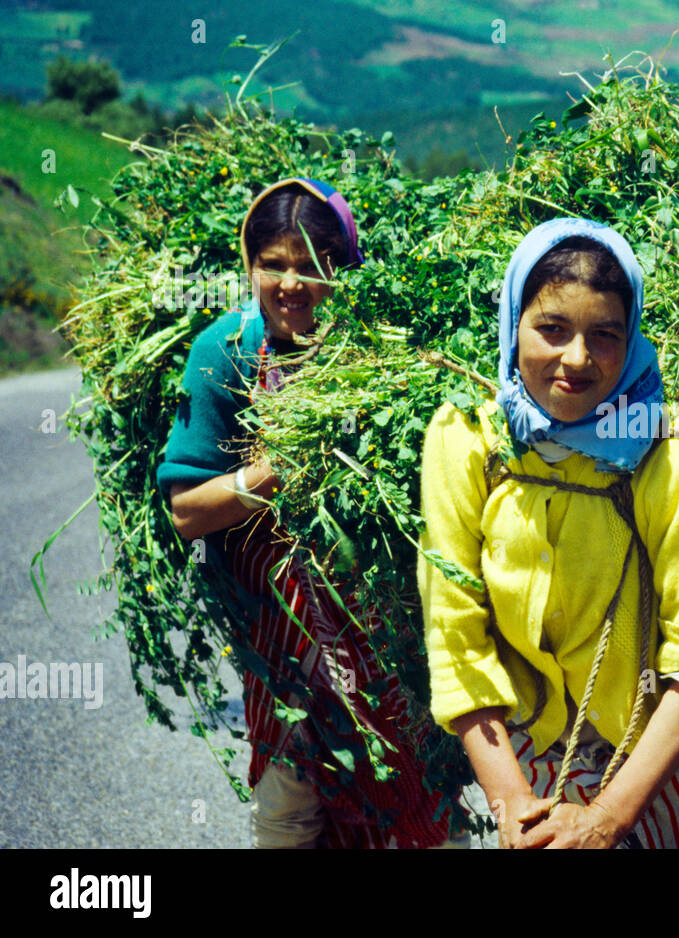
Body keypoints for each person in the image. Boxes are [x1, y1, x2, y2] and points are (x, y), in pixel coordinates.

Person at [418, 217, 679, 848]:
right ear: (512, 323)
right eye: (551, 329)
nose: (577, 358)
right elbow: (454, 635)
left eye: (604, 335)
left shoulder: (675, 452)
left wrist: (608, 819)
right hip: (532, 755)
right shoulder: (465, 440)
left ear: (633, 339)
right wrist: (512, 802)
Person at [158, 178, 460, 848]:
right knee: (290, 809)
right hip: (281, 639)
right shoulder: (225, 355)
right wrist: (275, 469)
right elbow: (186, 512)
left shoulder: (384, 355)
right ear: (250, 266)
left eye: (313, 267)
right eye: (274, 264)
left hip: (384, 642)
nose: (291, 284)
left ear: (344, 272)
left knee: (414, 796)